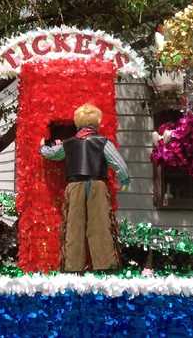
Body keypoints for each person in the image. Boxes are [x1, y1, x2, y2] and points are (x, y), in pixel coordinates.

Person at [40, 103, 130, 272]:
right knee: (101, 225)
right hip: (98, 185)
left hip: (75, 186)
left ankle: (73, 267)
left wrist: (42, 145)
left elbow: (50, 154)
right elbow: (120, 165)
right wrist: (124, 181)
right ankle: (104, 266)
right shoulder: (103, 142)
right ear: (97, 122)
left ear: (77, 122)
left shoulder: (68, 143)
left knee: (74, 225)